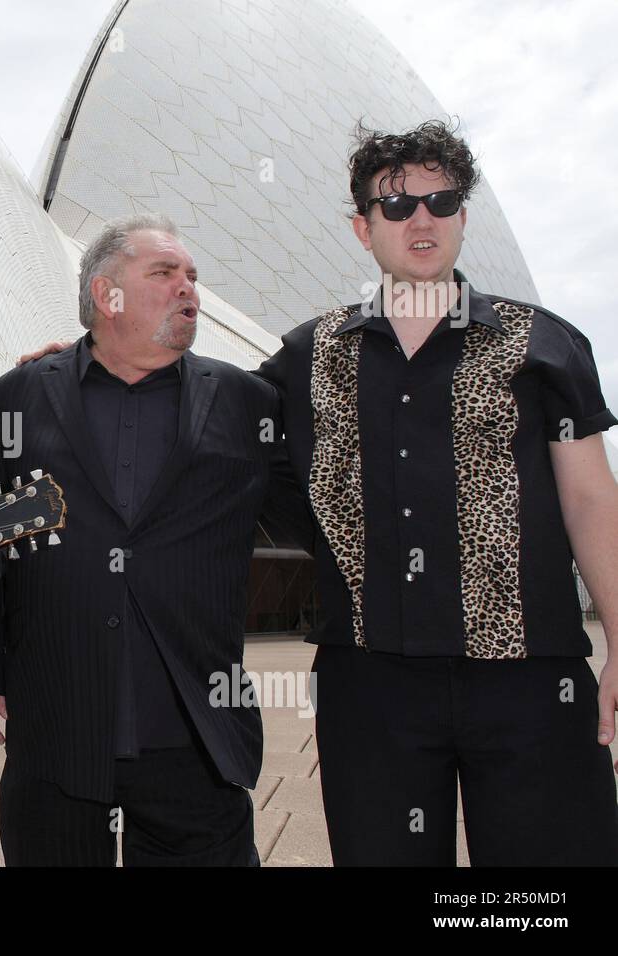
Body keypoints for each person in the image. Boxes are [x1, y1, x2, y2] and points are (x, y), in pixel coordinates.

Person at [256, 120, 618, 865]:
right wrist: (80, 357)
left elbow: (590, 500)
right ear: (363, 227)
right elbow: (197, 414)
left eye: (441, 201)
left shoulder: (545, 344)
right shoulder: (304, 356)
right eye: (396, 205)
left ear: (460, 217)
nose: (421, 219)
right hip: (370, 683)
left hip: (529, 677)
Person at [0, 213, 310, 866]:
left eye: (193, 277)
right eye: (165, 272)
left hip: (193, 743)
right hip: (57, 739)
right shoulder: (15, 395)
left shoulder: (247, 402)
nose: (189, 288)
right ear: (106, 294)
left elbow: (325, 517)